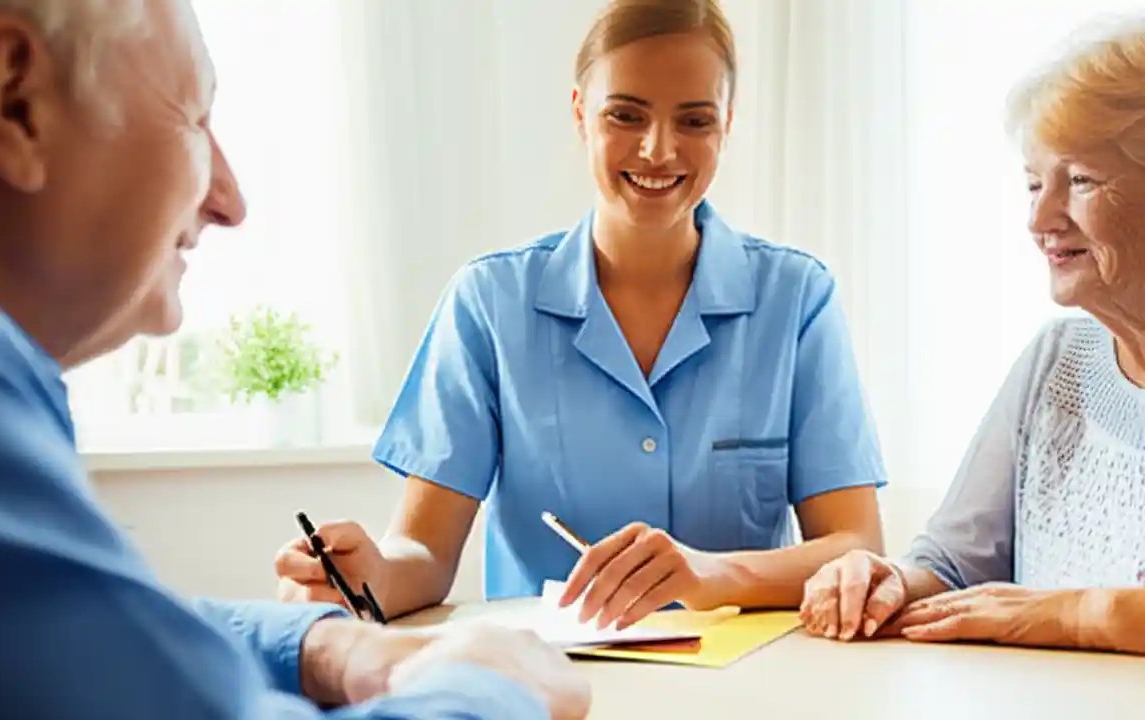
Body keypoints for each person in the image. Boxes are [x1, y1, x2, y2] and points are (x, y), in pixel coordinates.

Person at [0, 0, 590, 717]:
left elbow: (73, 633)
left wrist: (325, 648)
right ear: (15, 100)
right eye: (193, 117)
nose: (231, 201)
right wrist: (496, 691)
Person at [276, 0, 886, 631]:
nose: (658, 149)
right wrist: (366, 576)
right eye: (626, 115)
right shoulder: (489, 303)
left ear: (726, 125)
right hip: (547, 673)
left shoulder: (798, 299)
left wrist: (710, 574)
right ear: (579, 113)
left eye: (694, 120)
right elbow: (425, 552)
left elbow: (856, 547)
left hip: (752, 673)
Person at [799, 17, 1145, 655]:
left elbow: (1033, 613)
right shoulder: (1055, 362)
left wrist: (1076, 615)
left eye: (1081, 181)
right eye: (1035, 184)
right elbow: (953, 567)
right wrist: (886, 582)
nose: (1040, 219)